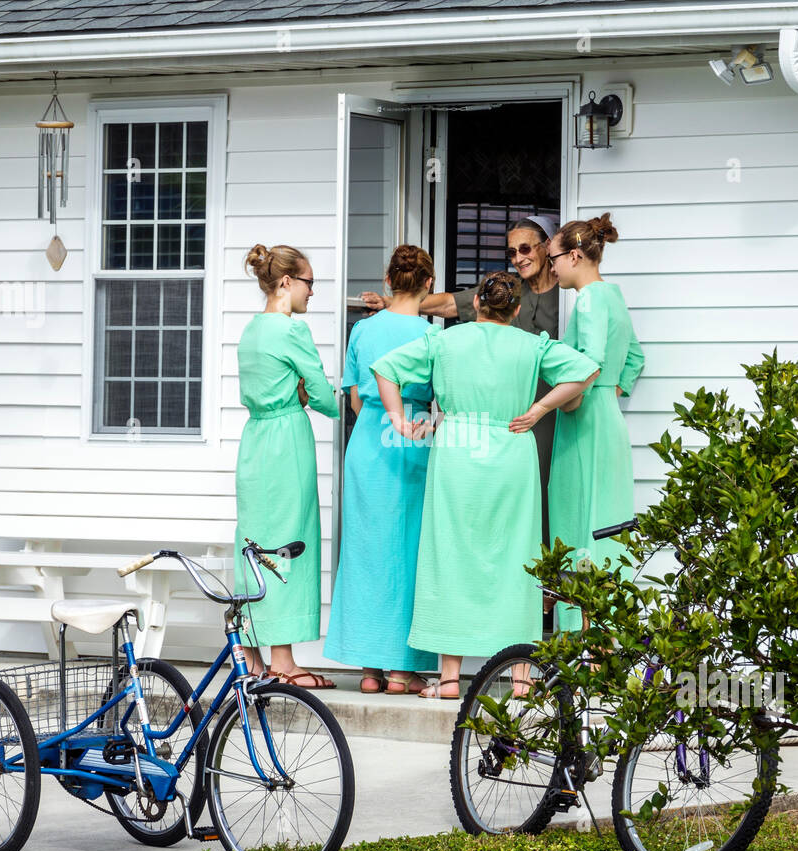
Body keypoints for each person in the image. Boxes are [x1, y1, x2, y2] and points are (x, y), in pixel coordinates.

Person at [371, 272, 599, 699]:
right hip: (512, 448)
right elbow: (585, 371)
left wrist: (401, 421)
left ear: (475, 303)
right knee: (516, 556)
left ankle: (452, 678)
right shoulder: (532, 344)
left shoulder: (443, 341)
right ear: (515, 310)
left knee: (450, 554)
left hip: (458, 449)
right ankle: (521, 680)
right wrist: (539, 409)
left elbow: (386, 369)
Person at [361, 216, 562, 546]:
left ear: (546, 247)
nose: (518, 258)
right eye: (511, 252)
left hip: (550, 412)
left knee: (549, 489)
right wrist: (395, 303)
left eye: (525, 248)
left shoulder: (567, 293)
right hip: (505, 414)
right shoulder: (506, 292)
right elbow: (450, 303)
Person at [324, 245, 439, 695]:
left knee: (367, 551)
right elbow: (441, 401)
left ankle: (370, 668)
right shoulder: (433, 337)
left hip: (368, 440)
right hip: (411, 435)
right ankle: (401, 670)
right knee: (407, 552)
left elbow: (353, 400)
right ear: (428, 284)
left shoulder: (362, 330)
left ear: (389, 282)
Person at [234, 243, 340, 688]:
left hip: (254, 442)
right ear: (286, 283)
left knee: (255, 540)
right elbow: (323, 396)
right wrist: (311, 395)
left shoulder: (251, 331)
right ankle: (284, 661)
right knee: (289, 543)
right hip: (286, 441)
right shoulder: (291, 332)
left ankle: (253, 655)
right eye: (309, 282)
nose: (312, 292)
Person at [545, 213, 645, 634]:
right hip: (608, 420)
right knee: (605, 521)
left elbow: (588, 361)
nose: (551, 267)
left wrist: (575, 400)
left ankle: (578, 639)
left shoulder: (587, 300)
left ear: (575, 255)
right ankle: (607, 634)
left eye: (553, 258)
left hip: (584, 421)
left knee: (576, 519)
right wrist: (610, 392)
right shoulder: (614, 296)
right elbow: (635, 359)